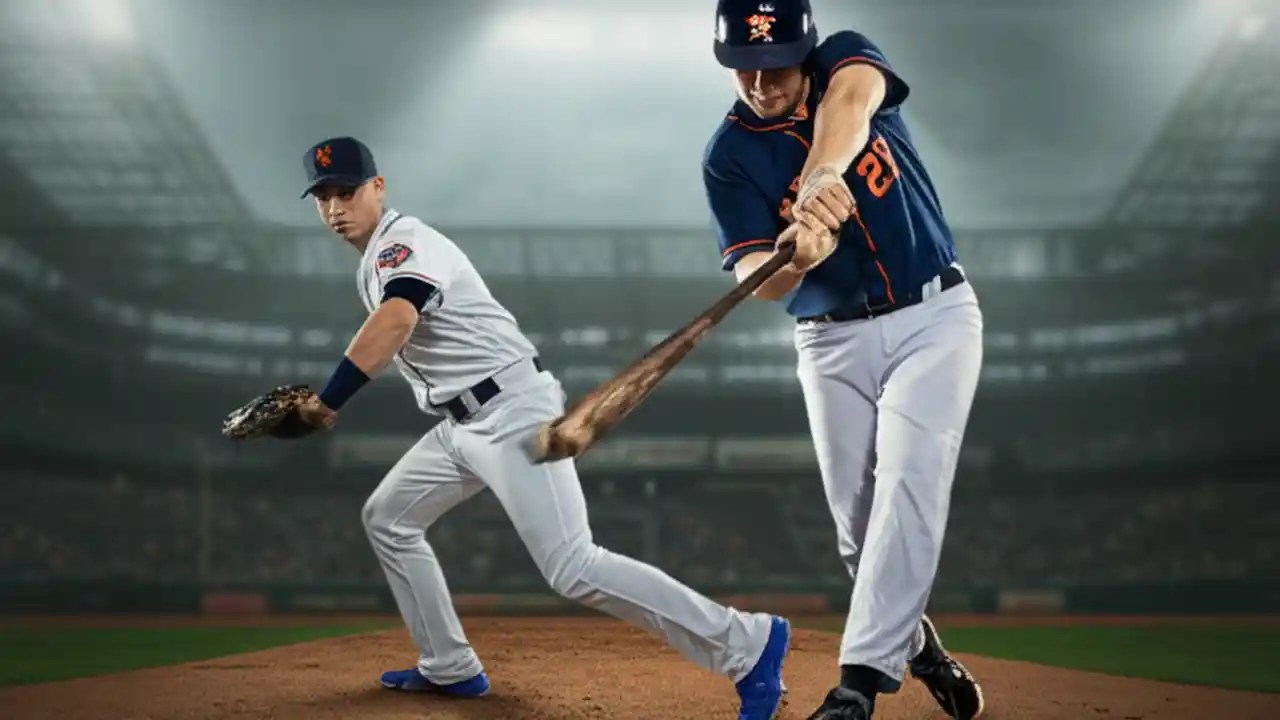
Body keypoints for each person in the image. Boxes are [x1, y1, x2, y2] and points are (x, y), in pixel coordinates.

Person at [291, 135, 791, 720]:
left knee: (573, 566)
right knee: (388, 518)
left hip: (510, 413)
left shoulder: (402, 243)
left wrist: (329, 401)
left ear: (378, 187)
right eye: (322, 197)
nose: (334, 208)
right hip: (460, 425)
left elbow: (398, 319)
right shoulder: (378, 254)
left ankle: (747, 643)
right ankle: (449, 665)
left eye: (345, 191)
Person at [701, 1, 986, 718]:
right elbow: (753, 278)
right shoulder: (727, 155)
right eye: (746, 69)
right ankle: (914, 644)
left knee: (910, 479)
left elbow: (854, 102)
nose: (763, 84)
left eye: (777, 66)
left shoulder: (847, 59)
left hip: (934, 316)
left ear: (808, 50)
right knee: (858, 531)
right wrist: (795, 261)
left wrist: (824, 174)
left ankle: (857, 686)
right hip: (830, 336)